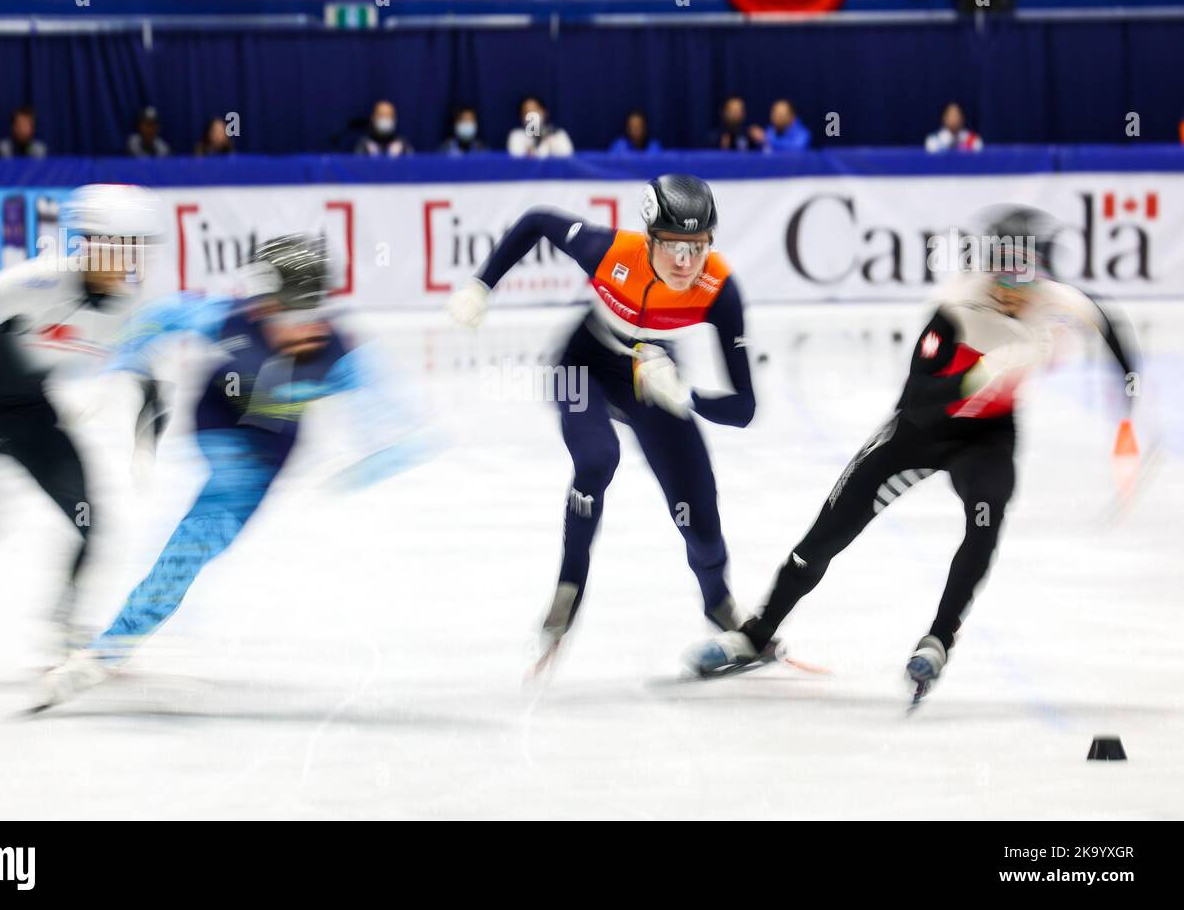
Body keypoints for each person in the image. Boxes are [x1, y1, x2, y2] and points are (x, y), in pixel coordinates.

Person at [686, 208, 1139, 706]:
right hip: (918, 431)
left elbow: (1105, 318)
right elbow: (919, 394)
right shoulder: (955, 304)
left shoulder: (1055, 298)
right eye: (1003, 283)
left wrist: (1130, 385)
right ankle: (757, 633)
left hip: (987, 439)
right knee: (825, 537)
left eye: (1025, 288)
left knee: (985, 522)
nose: (1013, 298)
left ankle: (940, 637)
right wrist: (981, 373)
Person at [35, 235, 427, 708]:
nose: (309, 331)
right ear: (263, 307)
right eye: (293, 316)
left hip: (266, 456)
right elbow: (155, 318)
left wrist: (370, 461)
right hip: (215, 422)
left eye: (316, 313)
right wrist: (115, 371)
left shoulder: (338, 352)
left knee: (194, 544)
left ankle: (113, 644)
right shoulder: (225, 319)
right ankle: (110, 648)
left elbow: (401, 424)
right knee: (199, 528)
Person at [447, 175, 756, 671]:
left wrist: (687, 395)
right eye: (674, 246)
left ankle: (719, 603)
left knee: (699, 516)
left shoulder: (719, 290)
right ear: (650, 237)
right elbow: (537, 221)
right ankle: (569, 589)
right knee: (597, 457)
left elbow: (744, 409)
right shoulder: (609, 251)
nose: (684, 263)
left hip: (651, 378)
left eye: (697, 247)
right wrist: (481, 285)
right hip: (581, 368)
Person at [0, 184, 164, 641]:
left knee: (90, 521)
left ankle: (66, 627)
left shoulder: (127, 312)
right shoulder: (40, 280)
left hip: (32, 411)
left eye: (137, 250)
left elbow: (151, 386)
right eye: (125, 248)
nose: (132, 262)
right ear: (94, 245)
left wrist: (146, 440)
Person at [506, 95, 574, 158]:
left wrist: (551, 145)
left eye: (535, 110)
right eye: (527, 111)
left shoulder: (559, 134)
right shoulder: (517, 136)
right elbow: (516, 161)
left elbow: (568, 159)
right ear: (521, 116)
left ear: (545, 112)